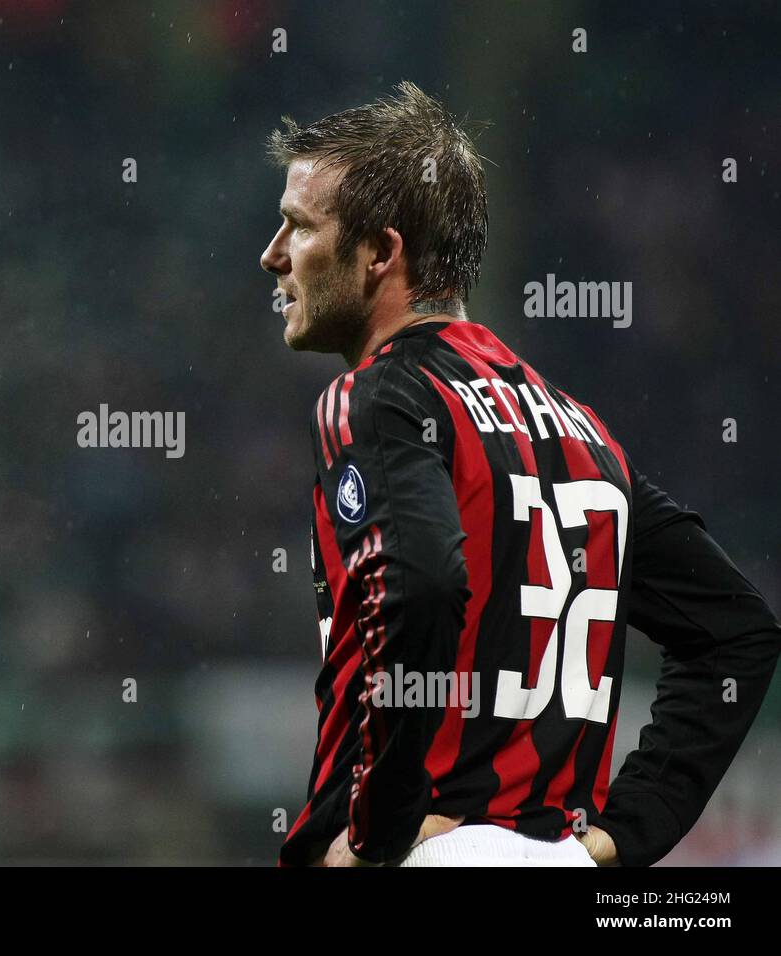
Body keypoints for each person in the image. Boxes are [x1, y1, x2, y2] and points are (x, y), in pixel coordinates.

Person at [259, 81, 781, 867]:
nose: (272, 254)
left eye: (298, 226)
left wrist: (378, 835)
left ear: (380, 252)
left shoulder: (376, 399)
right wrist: (611, 842)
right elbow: (737, 630)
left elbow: (423, 585)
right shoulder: (582, 431)